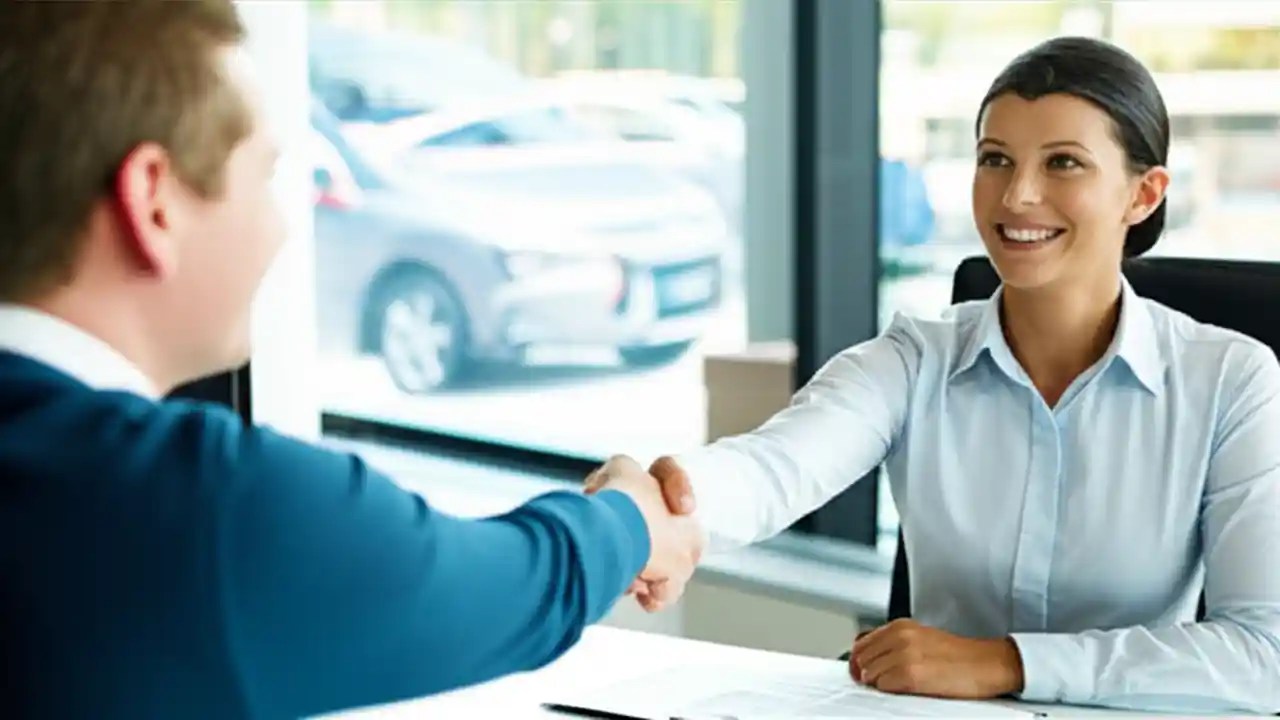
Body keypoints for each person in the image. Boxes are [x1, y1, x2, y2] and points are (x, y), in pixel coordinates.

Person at [0, 3, 701, 719]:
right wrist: (630, 523)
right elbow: (503, 585)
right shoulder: (198, 505)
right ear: (154, 204)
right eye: (266, 177)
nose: (280, 230)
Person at [592, 36, 1280, 714]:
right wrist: (647, 512)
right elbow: (773, 468)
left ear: (1144, 194)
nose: (1018, 195)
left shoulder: (1230, 382)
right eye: (995, 159)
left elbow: (1264, 654)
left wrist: (1002, 663)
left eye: (1064, 163)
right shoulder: (913, 359)